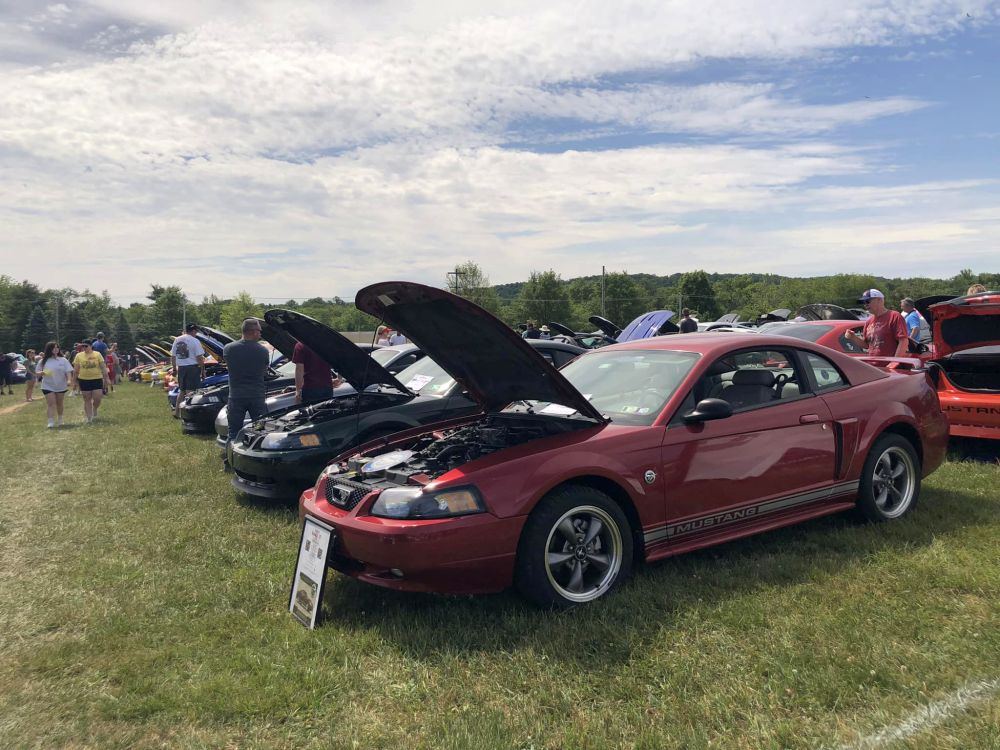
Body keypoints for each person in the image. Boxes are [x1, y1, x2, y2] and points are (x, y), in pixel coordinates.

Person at [223, 318, 270, 443]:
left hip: (235, 397)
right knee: (259, 430)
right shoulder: (263, 351)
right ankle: (256, 458)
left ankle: (230, 460)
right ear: (254, 332)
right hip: (257, 398)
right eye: (259, 331)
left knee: (233, 432)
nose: (260, 334)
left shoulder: (228, 349)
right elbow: (264, 371)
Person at [844, 289, 908, 357]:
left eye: (867, 301)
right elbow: (867, 345)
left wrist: (894, 362)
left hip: (889, 365)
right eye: (864, 302)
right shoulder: (868, 322)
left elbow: (903, 341)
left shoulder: (894, 316)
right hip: (873, 365)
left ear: (879, 300)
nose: (865, 305)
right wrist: (853, 337)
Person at [170, 323, 206, 418]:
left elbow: (173, 356)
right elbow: (199, 357)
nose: (196, 333)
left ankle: (177, 412)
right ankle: (188, 414)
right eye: (196, 332)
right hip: (192, 368)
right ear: (194, 331)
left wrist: (174, 368)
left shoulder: (177, 339)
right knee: (191, 391)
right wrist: (203, 370)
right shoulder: (195, 341)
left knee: (182, 391)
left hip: (181, 368)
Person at [37, 341, 75, 427]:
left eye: (57, 347)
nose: (56, 349)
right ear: (49, 349)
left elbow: (68, 371)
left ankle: (60, 419)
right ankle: (50, 422)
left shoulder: (63, 360)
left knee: (59, 403)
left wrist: (69, 380)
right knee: (51, 403)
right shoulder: (43, 361)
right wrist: (41, 373)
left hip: (61, 385)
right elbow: (37, 372)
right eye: (54, 348)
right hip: (47, 385)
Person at [293, 340, 342, 404]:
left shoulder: (300, 345)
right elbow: (340, 361)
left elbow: (299, 370)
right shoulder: (327, 345)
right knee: (327, 412)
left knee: (311, 413)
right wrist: (339, 378)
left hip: (310, 389)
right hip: (327, 388)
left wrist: (298, 390)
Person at [73, 340, 109, 423]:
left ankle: (95, 408)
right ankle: (89, 417)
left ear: (90, 346)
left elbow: (103, 367)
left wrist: (106, 378)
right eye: (83, 346)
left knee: (98, 398)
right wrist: (74, 381)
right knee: (87, 399)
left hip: (96, 378)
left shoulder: (97, 354)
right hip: (84, 379)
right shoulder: (79, 355)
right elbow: (76, 370)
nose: (84, 348)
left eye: (86, 346)